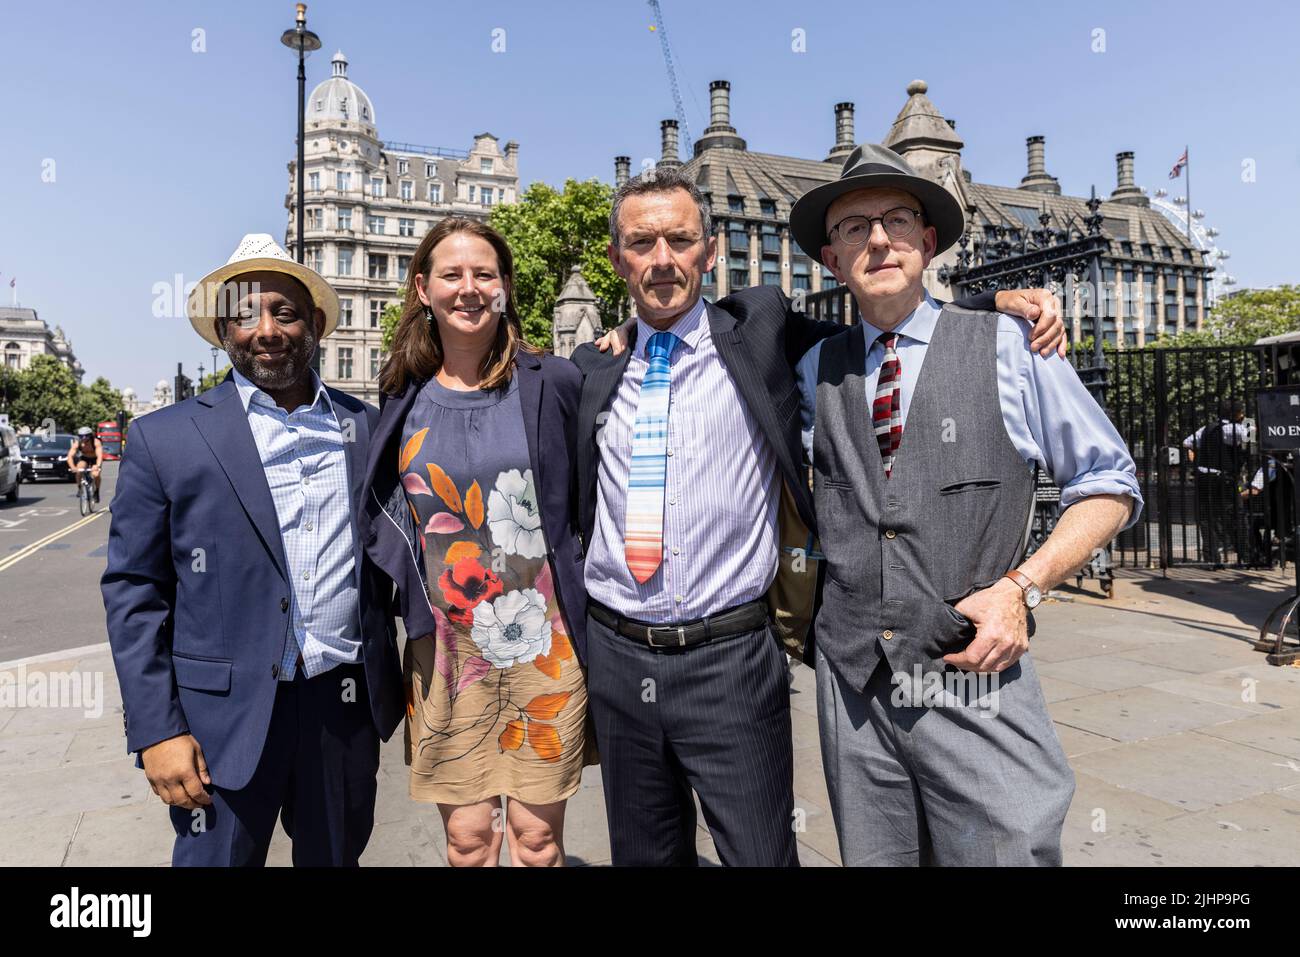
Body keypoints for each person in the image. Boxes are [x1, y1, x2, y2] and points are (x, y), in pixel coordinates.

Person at [570, 167, 1066, 866]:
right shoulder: (589, 369)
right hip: (618, 657)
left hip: (730, 659)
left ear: (709, 252)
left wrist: (991, 303)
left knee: (760, 854)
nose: (661, 259)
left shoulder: (761, 329)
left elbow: (889, 317)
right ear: (618, 257)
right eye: (641, 242)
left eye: (679, 240)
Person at [790, 143, 1143, 865]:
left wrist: (1023, 589)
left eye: (896, 220)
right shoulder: (811, 371)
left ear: (928, 243)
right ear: (832, 260)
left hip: (970, 674)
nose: (879, 238)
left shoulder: (1010, 347)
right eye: (856, 227)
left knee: (1005, 849)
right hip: (854, 687)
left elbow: (1110, 483)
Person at [101, 234, 403, 866]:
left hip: (340, 712)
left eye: (285, 312)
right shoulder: (165, 440)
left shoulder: (367, 431)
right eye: (244, 314)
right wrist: (157, 730)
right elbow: (135, 592)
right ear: (221, 329)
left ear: (316, 323)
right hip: (220, 726)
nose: (265, 330)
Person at [359, 218, 590, 867]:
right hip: (444, 657)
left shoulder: (554, 385)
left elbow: (590, 504)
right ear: (422, 288)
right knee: (468, 841)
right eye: (452, 274)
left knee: (537, 842)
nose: (469, 287)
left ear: (506, 286)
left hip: (545, 649)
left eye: (484, 273)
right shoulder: (400, 398)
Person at [1184, 399, 1249, 567]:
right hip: (1225, 478)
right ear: (1237, 414)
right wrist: (1248, 422)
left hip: (1204, 477)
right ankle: (1245, 553)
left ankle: (1211, 557)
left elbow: (1187, 442)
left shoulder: (1207, 428)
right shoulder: (1234, 430)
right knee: (1236, 514)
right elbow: (1251, 438)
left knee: (1207, 518)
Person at [67, 426, 103, 502]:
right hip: (85, 458)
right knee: (79, 470)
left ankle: (96, 491)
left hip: (95, 459)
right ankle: (80, 488)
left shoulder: (96, 442)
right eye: (81, 436)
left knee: (96, 474)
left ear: (90, 435)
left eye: (85, 436)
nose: (83, 438)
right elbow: (70, 456)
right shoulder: (78, 443)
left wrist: (98, 466)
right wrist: (73, 467)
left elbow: (99, 456)